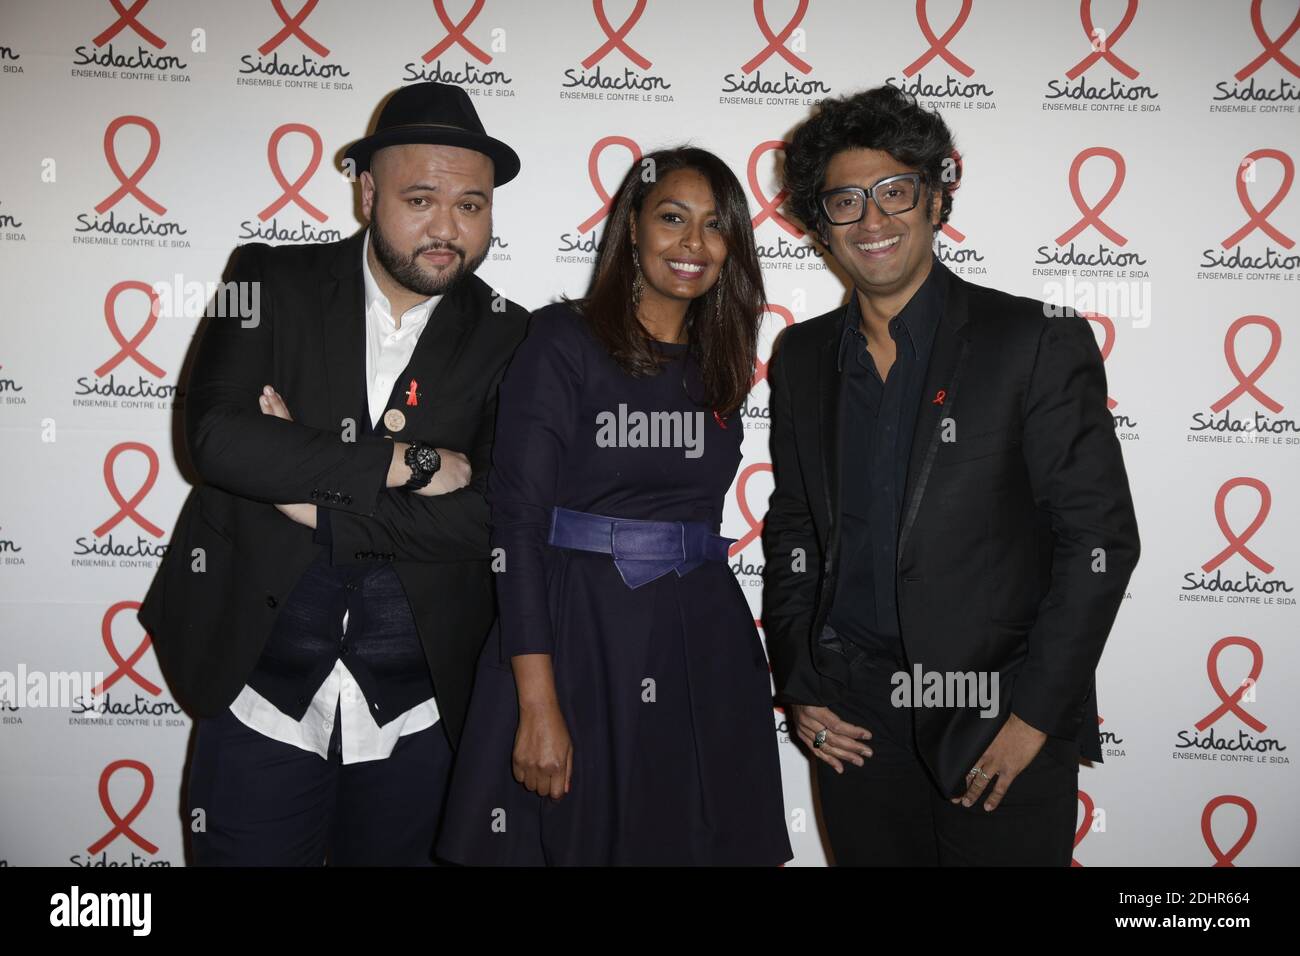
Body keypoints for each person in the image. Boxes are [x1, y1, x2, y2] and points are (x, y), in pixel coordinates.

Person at [138, 82, 529, 865]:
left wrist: (301, 492)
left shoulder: (513, 335)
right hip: (256, 693)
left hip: (418, 715)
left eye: (471, 206)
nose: (446, 228)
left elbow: (485, 517)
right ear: (365, 190)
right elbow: (216, 440)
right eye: (420, 198)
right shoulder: (264, 278)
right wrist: (407, 464)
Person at [761, 86, 1140, 866]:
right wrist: (801, 678)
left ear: (936, 199)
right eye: (844, 201)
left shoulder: (1032, 341)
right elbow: (794, 526)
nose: (872, 220)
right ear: (816, 223)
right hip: (853, 718)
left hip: (995, 713)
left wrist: (1035, 718)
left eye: (895, 192)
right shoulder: (801, 357)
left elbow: (1099, 541)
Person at [437, 147, 793, 866]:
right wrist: (537, 704)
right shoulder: (563, 340)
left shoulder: (723, 359)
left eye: (714, 226)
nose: (693, 243)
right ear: (632, 227)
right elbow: (518, 523)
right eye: (671, 218)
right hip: (580, 641)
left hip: (703, 640)